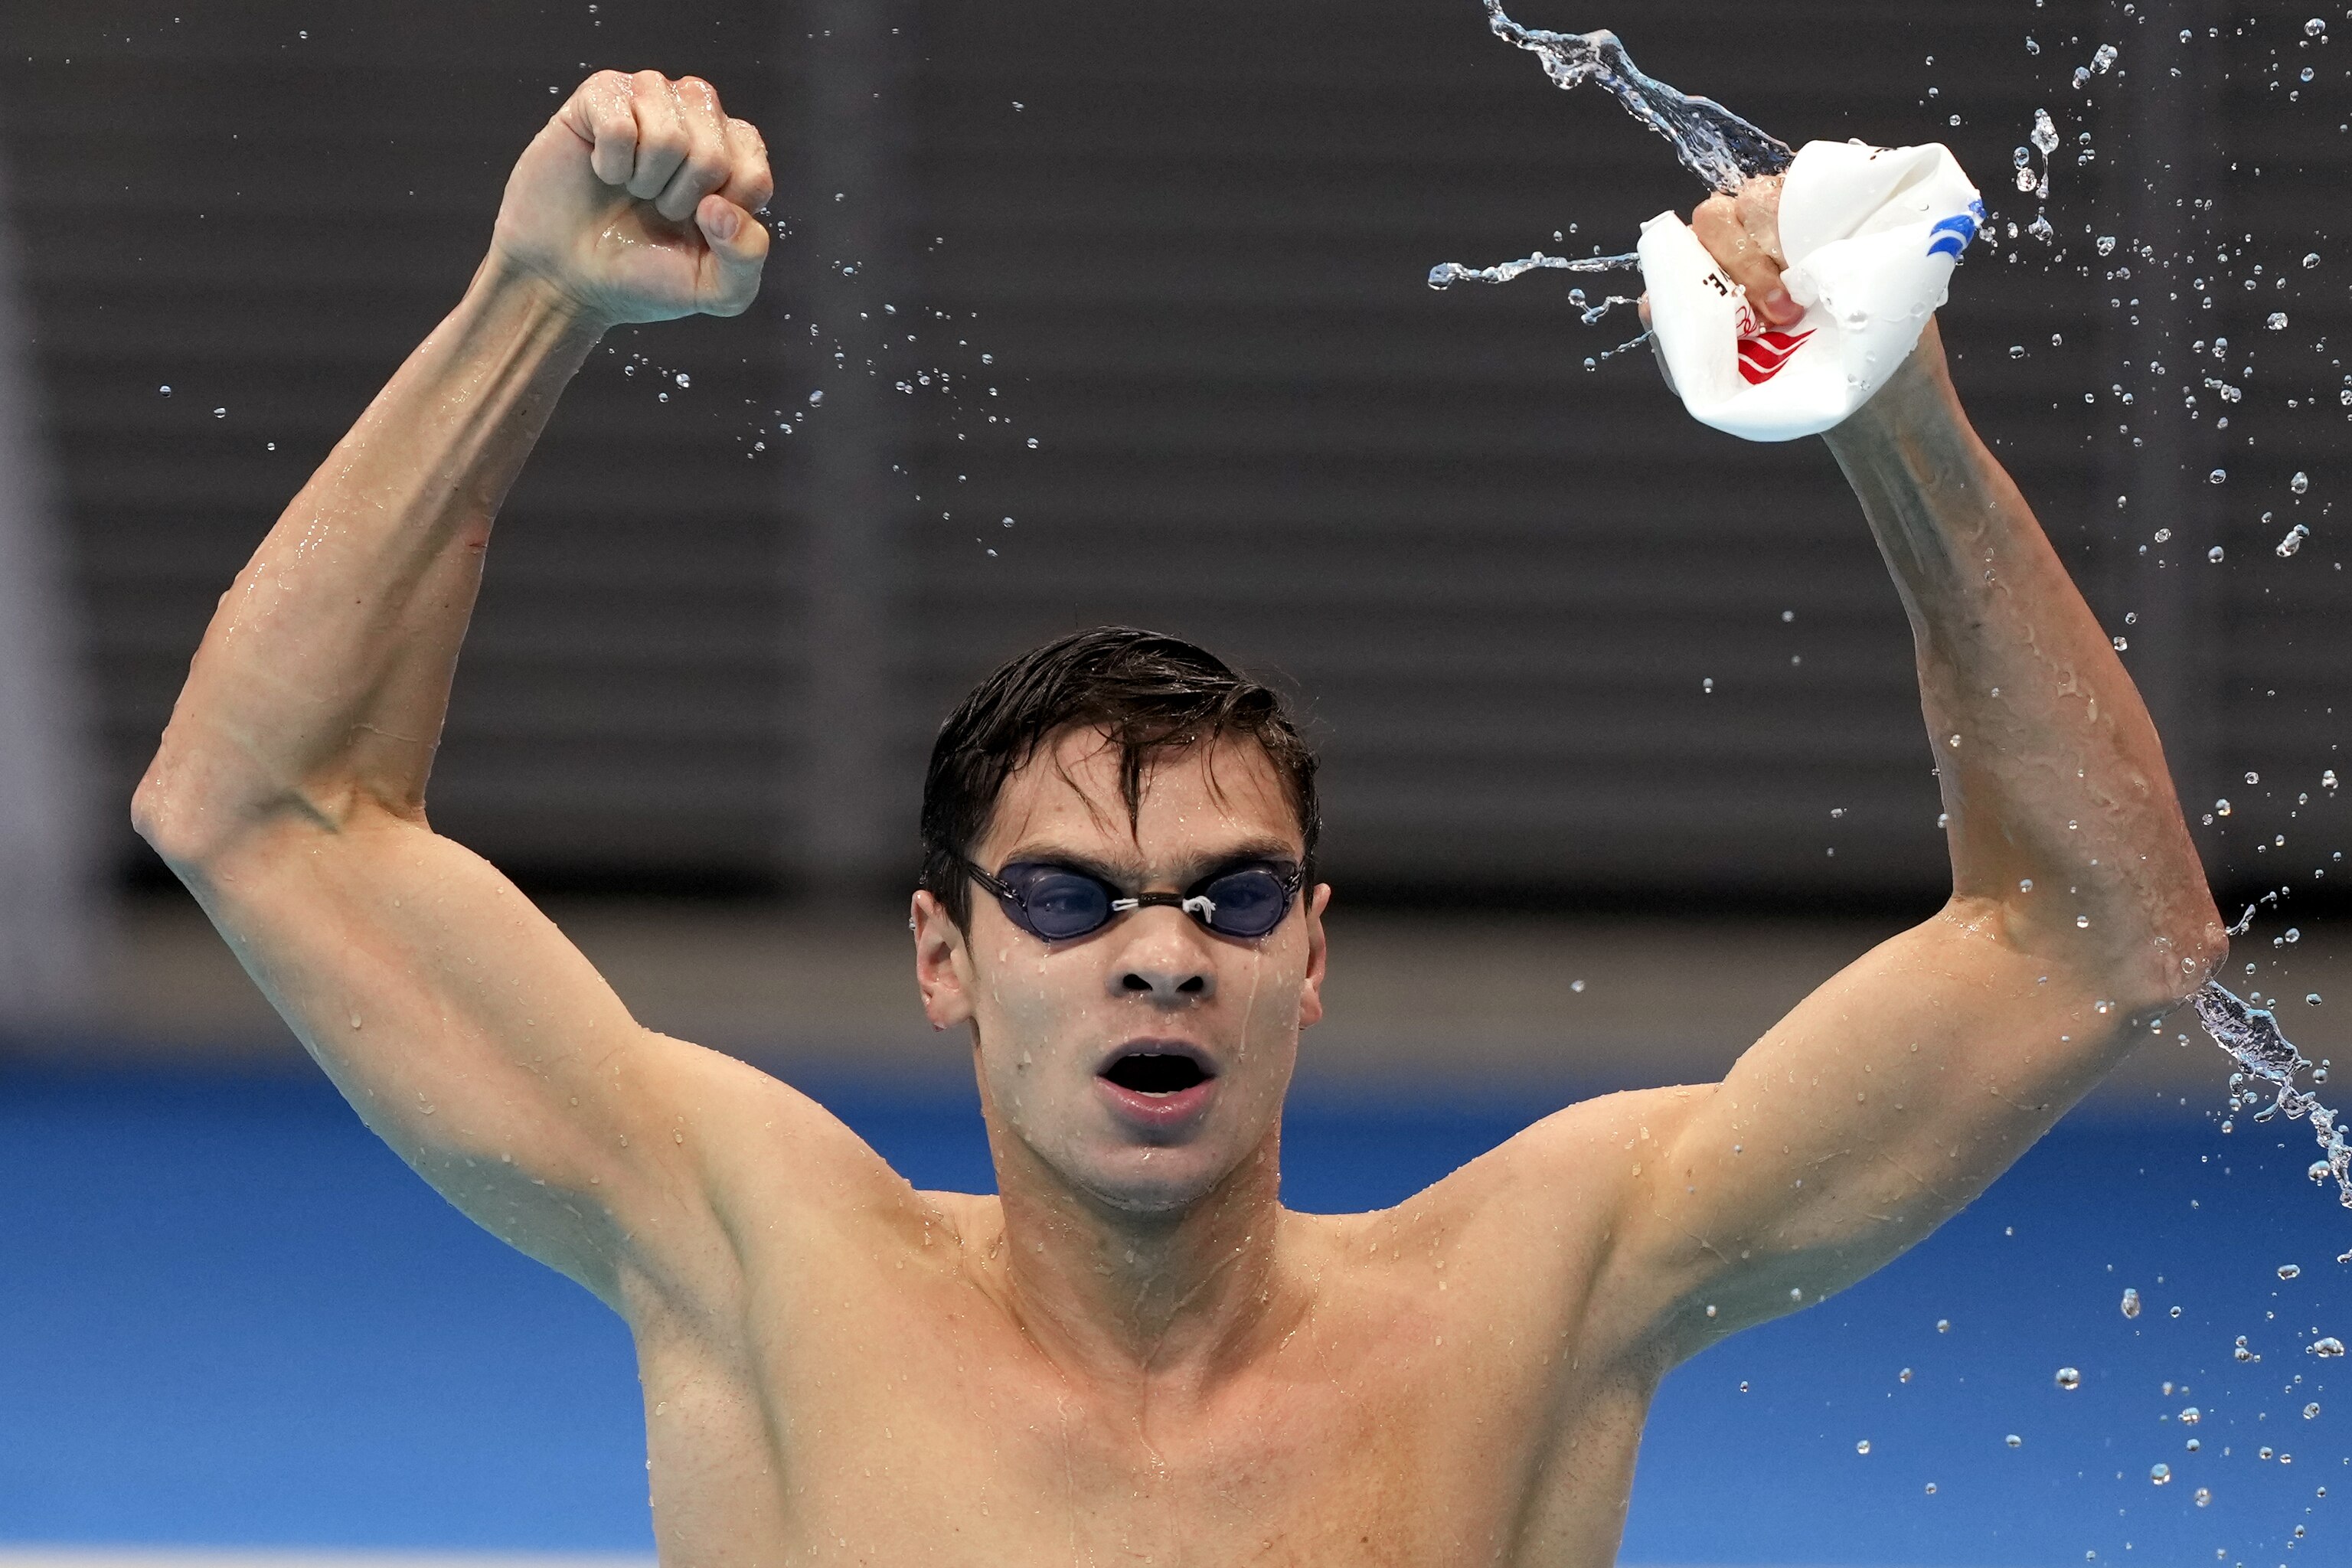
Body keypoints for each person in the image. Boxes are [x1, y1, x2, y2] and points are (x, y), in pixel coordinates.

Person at [134, 69, 2223, 1564]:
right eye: (1067, 899)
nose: (1160, 955)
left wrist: (1889, 410)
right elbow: (257, 808)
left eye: (1230, 898)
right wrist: (531, 305)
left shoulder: (1532, 1294)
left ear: (1312, 954)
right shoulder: (763, 1261)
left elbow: (2102, 938)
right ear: (944, 956)